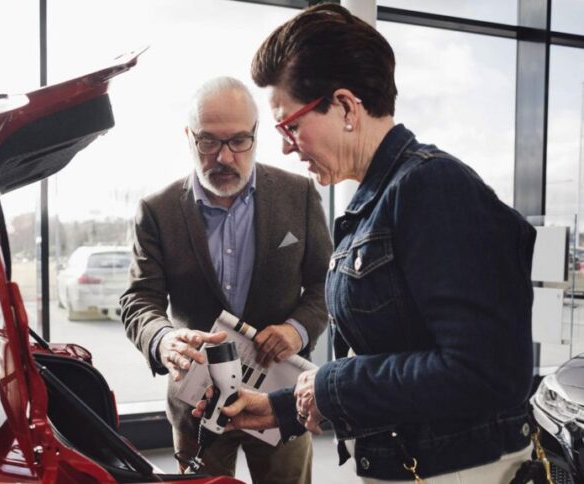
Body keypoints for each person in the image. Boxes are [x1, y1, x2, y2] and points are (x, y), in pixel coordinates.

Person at [193, 4, 537, 483]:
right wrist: (279, 408)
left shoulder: (432, 187)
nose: (287, 147)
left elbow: (489, 373)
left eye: (290, 125)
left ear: (347, 107)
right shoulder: (371, 203)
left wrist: (331, 386)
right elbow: (393, 353)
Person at [120, 76, 333, 483]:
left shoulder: (299, 194)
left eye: (238, 141)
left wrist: (297, 329)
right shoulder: (157, 210)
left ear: (256, 136)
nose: (224, 157)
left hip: (281, 397)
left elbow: (328, 285)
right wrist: (165, 340)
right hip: (196, 404)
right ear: (188, 137)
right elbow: (138, 300)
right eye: (209, 142)